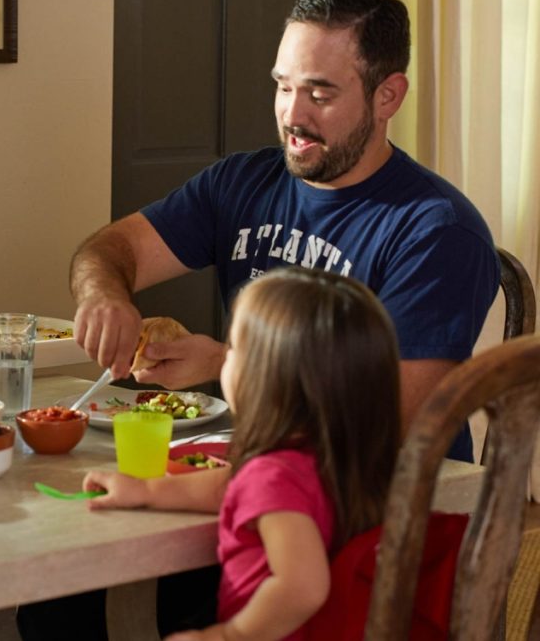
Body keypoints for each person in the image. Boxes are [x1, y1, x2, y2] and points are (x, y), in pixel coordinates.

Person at [71, 0, 498, 463]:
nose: (292, 116)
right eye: (283, 86)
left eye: (319, 95)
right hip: (273, 467)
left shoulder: (436, 231)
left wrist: (226, 363)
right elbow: (111, 249)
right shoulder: (239, 183)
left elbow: (383, 423)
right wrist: (103, 296)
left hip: (392, 502)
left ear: (388, 97)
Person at [82, 267, 402, 641]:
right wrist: (147, 492)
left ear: (265, 377)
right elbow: (232, 487)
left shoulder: (275, 475)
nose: (223, 358)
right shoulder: (329, 454)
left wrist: (226, 635)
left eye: (231, 347)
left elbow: (302, 587)